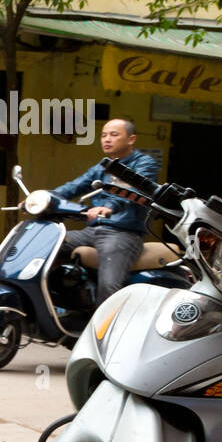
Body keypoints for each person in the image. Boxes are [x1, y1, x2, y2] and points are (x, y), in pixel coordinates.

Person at [52, 118, 159, 304]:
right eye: (103, 135)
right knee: (49, 243)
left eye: (114, 135)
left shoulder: (144, 163)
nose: (107, 139)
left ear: (131, 139)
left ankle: (106, 331)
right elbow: (74, 186)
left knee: (109, 285)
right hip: (92, 231)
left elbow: (130, 190)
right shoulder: (102, 167)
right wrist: (44, 197)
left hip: (122, 232)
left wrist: (109, 207)